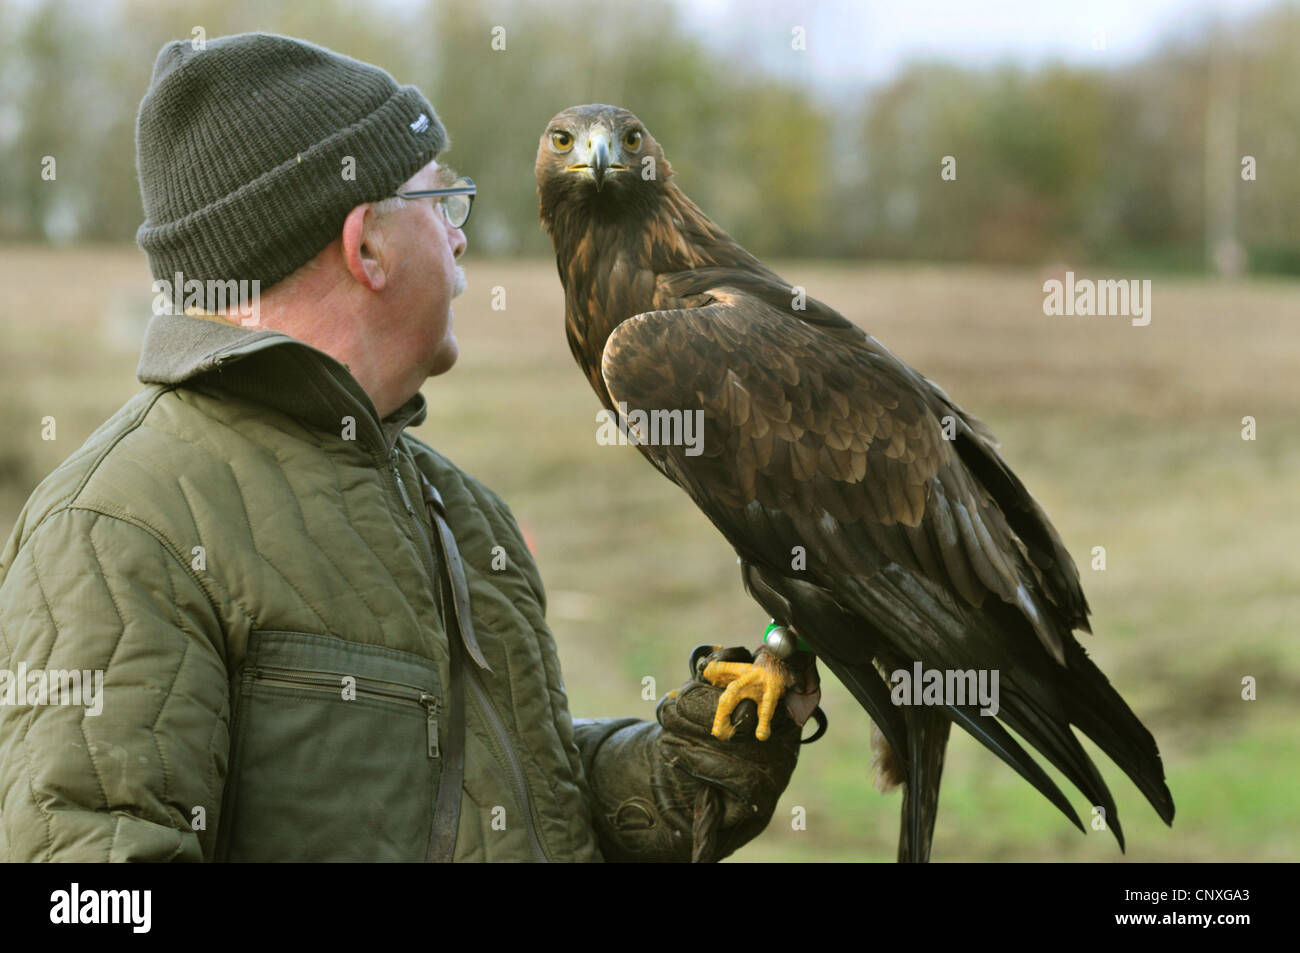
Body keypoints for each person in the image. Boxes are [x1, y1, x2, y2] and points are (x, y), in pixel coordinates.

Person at [0, 31, 800, 862]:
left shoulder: (463, 513)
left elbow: (512, 796)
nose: (459, 242)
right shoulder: (119, 530)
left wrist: (678, 778)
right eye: (441, 202)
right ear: (368, 247)